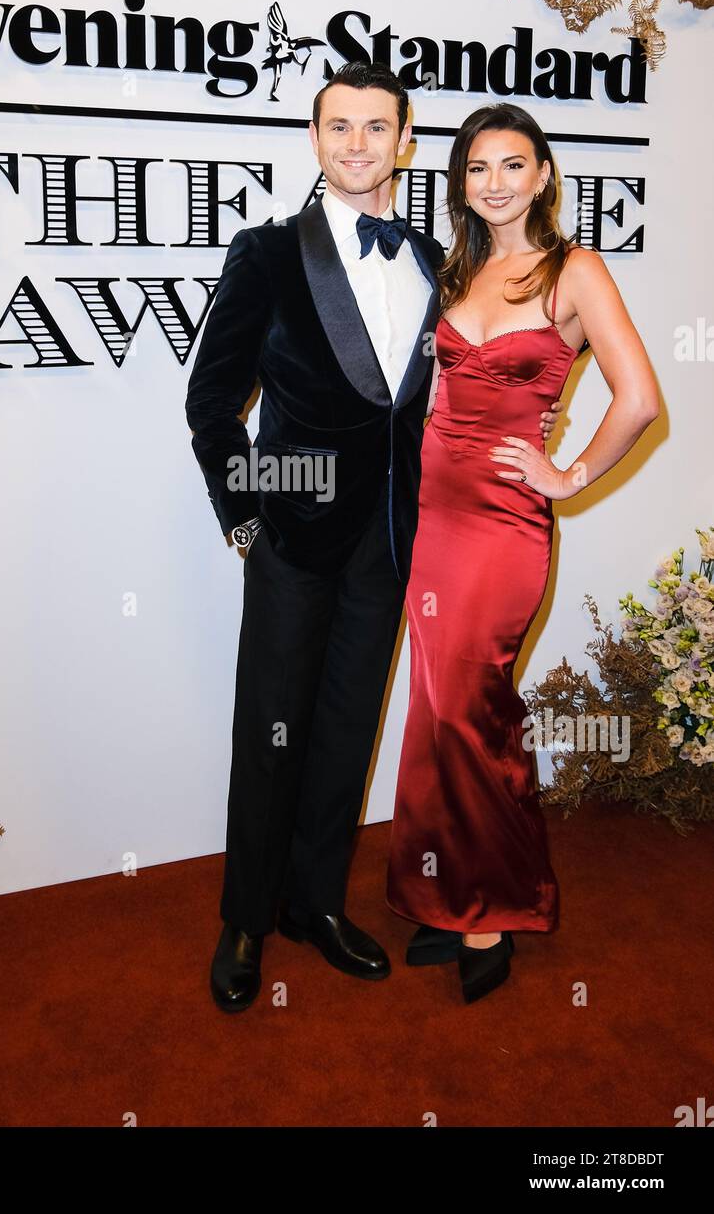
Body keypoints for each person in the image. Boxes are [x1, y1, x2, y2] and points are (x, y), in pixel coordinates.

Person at [185, 62, 565, 1012]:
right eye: (338, 127)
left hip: (397, 546)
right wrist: (248, 513)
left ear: (404, 143)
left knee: (347, 732)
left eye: (376, 128)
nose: (357, 145)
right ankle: (243, 918)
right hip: (293, 541)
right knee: (269, 731)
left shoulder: (443, 266)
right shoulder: (267, 253)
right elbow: (210, 400)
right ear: (317, 141)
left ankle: (316, 904)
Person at [386, 101, 659, 1004]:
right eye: (476, 169)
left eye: (512, 165)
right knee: (433, 710)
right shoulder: (458, 268)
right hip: (432, 507)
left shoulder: (574, 271)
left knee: (477, 707)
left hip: (504, 523)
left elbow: (640, 397)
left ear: (542, 173)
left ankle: (500, 902)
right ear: (460, 183)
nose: (493, 183)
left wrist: (568, 471)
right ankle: (443, 893)